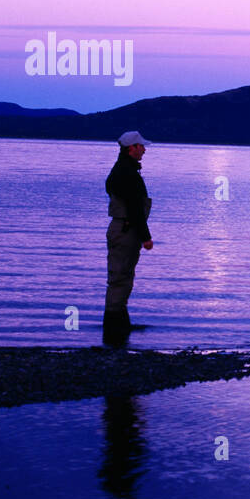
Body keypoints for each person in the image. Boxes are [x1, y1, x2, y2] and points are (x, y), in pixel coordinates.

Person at [104, 131, 154, 345]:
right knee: (121, 277)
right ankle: (115, 329)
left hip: (123, 228)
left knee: (122, 276)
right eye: (141, 146)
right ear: (131, 148)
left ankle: (118, 327)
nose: (144, 149)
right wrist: (146, 237)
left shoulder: (122, 170)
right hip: (126, 230)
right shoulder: (128, 173)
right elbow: (135, 209)